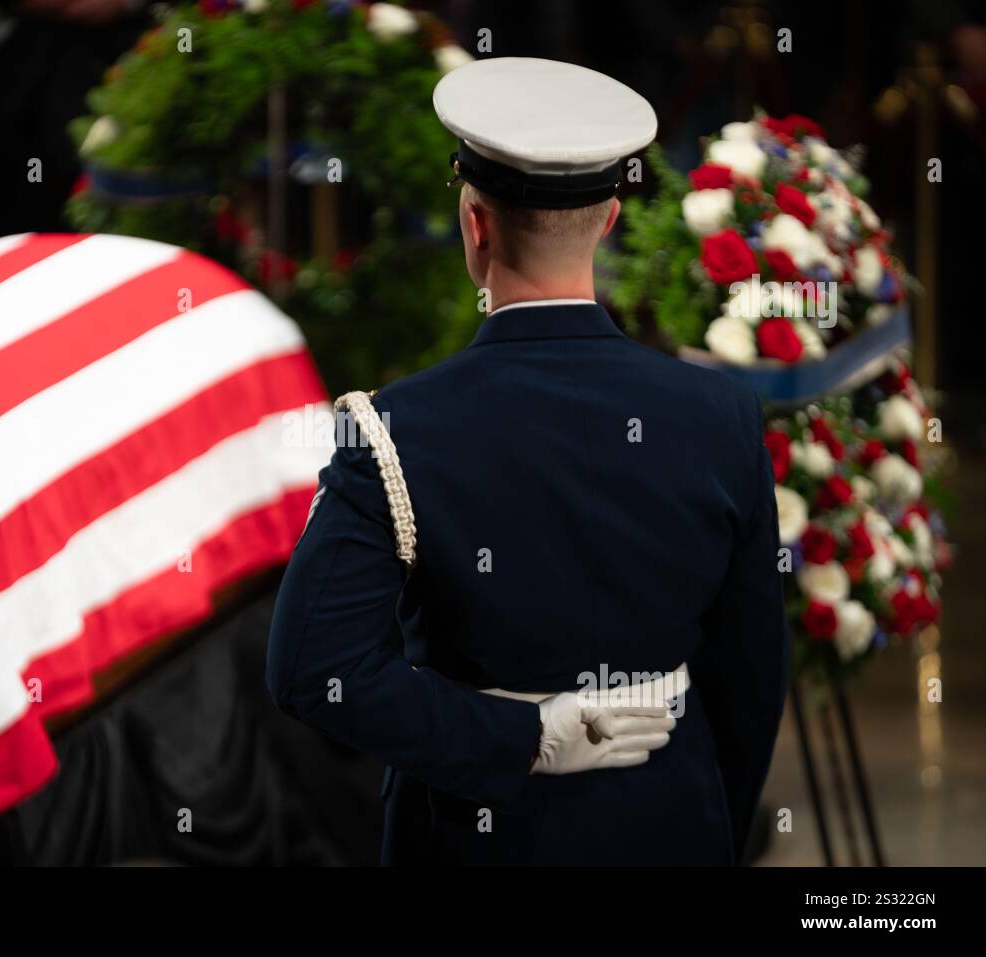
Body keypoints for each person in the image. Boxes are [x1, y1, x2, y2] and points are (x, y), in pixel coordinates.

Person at [266, 57, 789, 866]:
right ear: (611, 218)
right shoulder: (719, 413)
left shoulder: (392, 430)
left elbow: (311, 667)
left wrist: (518, 739)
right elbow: (752, 680)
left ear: (474, 221)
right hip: (669, 820)